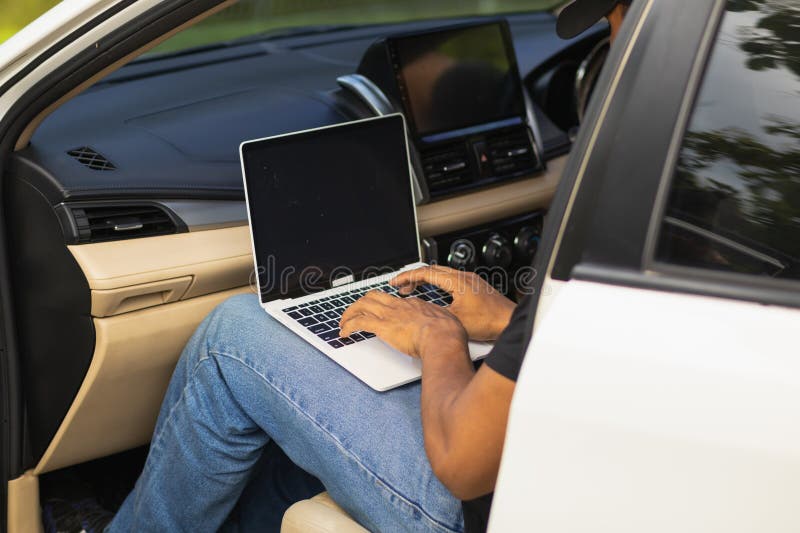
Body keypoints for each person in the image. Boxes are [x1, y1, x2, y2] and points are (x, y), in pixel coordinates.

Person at [93, 2, 631, 532]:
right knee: (310, 416)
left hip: (493, 505)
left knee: (232, 335)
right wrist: (511, 321)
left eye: (615, 22)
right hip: (584, 471)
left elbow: (464, 465)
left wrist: (439, 338)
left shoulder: (633, 201)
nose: (613, 44)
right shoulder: (666, 210)